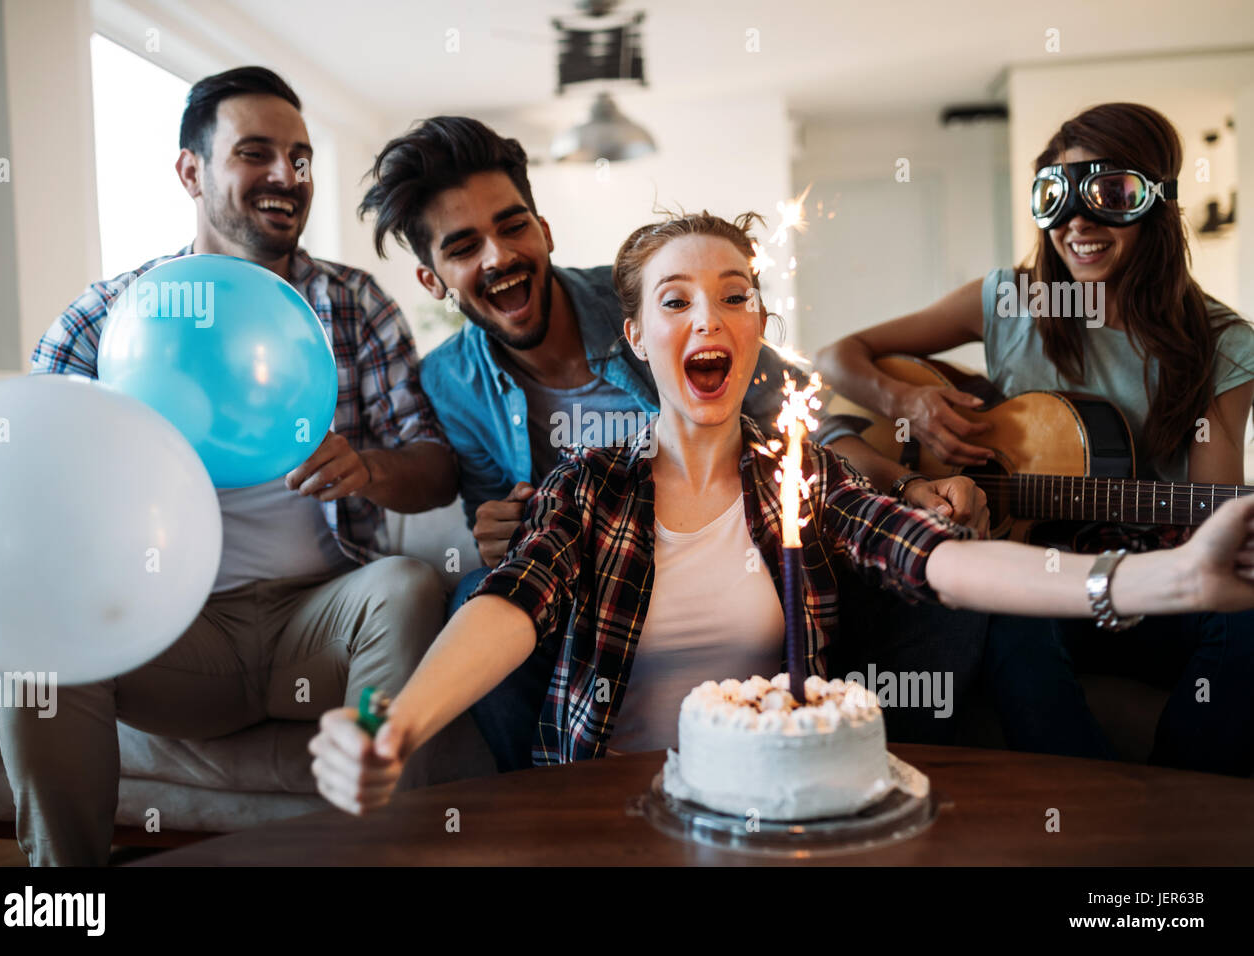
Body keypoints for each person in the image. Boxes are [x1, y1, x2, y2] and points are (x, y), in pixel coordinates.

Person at [308, 210, 1254, 814]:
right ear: (637, 337)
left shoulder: (798, 480)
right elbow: (509, 604)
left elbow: (943, 563)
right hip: (609, 812)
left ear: (759, 327)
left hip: (772, 817)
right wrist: (397, 725)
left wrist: (1163, 576)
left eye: (734, 296)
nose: (708, 320)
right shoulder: (590, 486)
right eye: (674, 301)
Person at [357, 117, 991, 768]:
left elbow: (810, 423)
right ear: (432, 280)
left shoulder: (662, 295)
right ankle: (537, 799)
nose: (498, 256)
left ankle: (874, 773)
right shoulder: (448, 382)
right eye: (463, 247)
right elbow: (502, 541)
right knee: (477, 593)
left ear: (543, 231)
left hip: (745, 546)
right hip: (582, 588)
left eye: (512, 226)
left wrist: (907, 486)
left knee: (951, 581)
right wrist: (500, 529)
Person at [0, 67, 460, 866]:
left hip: (316, 622)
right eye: (256, 153)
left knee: (410, 585)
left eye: (301, 157)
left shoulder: (354, 303)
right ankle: (64, 897)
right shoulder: (106, 317)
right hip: (169, 635)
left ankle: (380, 860)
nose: (287, 176)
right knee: (40, 642)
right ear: (191, 171)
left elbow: (436, 465)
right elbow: (30, 476)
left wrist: (367, 469)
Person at [816, 102, 1254, 774]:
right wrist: (909, 403)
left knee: (1244, 616)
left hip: (1151, 582)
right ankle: (1089, 807)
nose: (1077, 221)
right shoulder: (1009, 302)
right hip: (1038, 578)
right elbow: (839, 354)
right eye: (1055, 196)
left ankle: (1184, 805)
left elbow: (1209, 514)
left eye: (1109, 194)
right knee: (1010, 622)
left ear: (1156, 204)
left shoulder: (1223, 345)